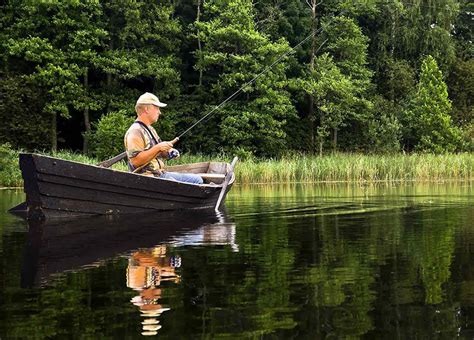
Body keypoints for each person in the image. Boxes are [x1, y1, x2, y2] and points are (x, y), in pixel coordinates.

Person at [124, 92, 203, 184]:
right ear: (146, 109)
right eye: (157, 108)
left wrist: (169, 152)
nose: (159, 112)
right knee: (186, 183)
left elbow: (159, 152)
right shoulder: (135, 131)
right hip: (147, 179)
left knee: (197, 179)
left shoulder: (150, 129)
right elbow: (136, 161)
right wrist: (158, 147)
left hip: (159, 174)